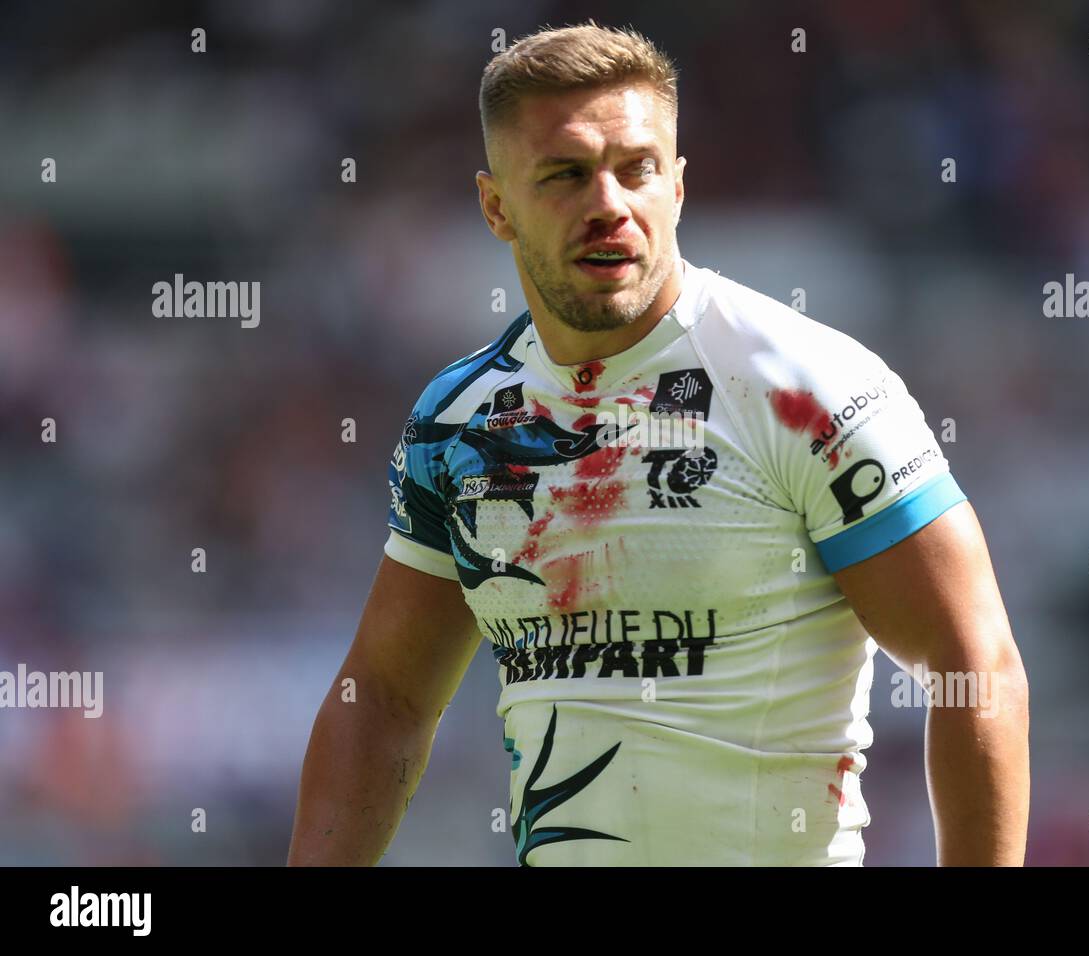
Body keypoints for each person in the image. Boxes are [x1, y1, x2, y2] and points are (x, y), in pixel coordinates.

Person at [288, 20, 1029, 867]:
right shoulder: (458, 421)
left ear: (677, 185)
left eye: (635, 168)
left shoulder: (803, 386)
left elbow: (975, 666)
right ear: (497, 206)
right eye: (566, 175)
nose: (609, 203)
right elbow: (383, 699)